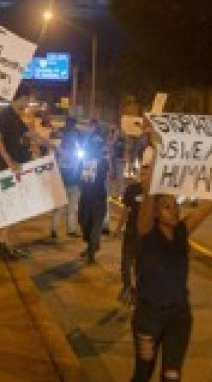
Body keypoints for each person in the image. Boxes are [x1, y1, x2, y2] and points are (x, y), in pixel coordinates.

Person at [127, 187, 212, 382]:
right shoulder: (146, 234)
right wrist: (153, 182)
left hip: (178, 317)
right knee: (144, 369)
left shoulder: (182, 231)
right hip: (148, 318)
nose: (175, 211)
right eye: (167, 207)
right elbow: (145, 211)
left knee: (172, 377)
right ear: (157, 213)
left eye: (176, 205)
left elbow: (209, 205)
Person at [0, 87, 50, 260]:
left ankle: (6, 242)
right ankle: (2, 243)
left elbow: (31, 135)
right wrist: (10, 162)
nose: (27, 103)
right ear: (20, 98)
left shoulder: (16, 117)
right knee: (13, 205)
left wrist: (52, 146)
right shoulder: (6, 115)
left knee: (16, 206)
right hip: (4, 168)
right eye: (26, 100)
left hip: (12, 167)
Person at [116, 145, 153, 306]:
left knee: (141, 265)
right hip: (131, 233)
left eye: (147, 174)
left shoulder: (153, 193)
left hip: (146, 237)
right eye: (142, 173)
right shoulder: (131, 190)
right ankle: (126, 288)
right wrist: (119, 228)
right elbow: (125, 211)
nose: (144, 176)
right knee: (125, 263)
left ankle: (138, 292)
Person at [77, 129, 111, 264]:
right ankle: (91, 245)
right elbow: (78, 175)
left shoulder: (104, 161)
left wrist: (96, 163)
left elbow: (105, 174)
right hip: (85, 197)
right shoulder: (83, 160)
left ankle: (92, 249)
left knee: (96, 225)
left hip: (98, 198)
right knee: (84, 222)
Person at [52, 118, 84, 239]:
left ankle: (56, 229)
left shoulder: (61, 150)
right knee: (70, 208)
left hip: (65, 182)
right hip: (71, 183)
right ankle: (68, 229)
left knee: (61, 208)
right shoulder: (76, 152)